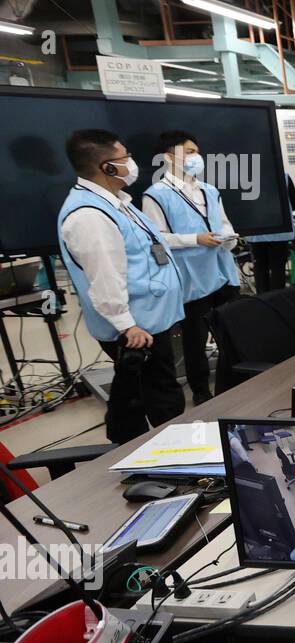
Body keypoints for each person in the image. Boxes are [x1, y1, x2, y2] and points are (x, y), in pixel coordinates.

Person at [57, 129, 186, 445]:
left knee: (157, 393)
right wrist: (127, 326)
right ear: (107, 168)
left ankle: (169, 451)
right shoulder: (90, 216)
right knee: (159, 398)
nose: (132, 163)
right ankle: (175, 459)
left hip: (150, 320)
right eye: (124, 157)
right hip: (136, 329)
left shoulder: (117, 202)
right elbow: (104, 278)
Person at [141, 131, 241, 405]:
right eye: (188, 151)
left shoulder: (209, 190)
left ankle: (234, 380)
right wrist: (194, 239)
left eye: (196, 151)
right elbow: (157, 240)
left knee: (230, 333)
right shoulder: (156, 195)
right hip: (191, 279)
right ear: (168, 157)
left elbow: (224, 223)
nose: (195, 157)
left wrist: (228, 238)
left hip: (222, 272)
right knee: (195, 340)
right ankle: (201, 391)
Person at [247, 174, 295, 294]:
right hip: (279, 232)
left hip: (257, 232)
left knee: (260, 271)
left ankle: (263, 304)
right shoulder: (282, 176)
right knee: (278, 271)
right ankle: (278, 302)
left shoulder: (248, 176)